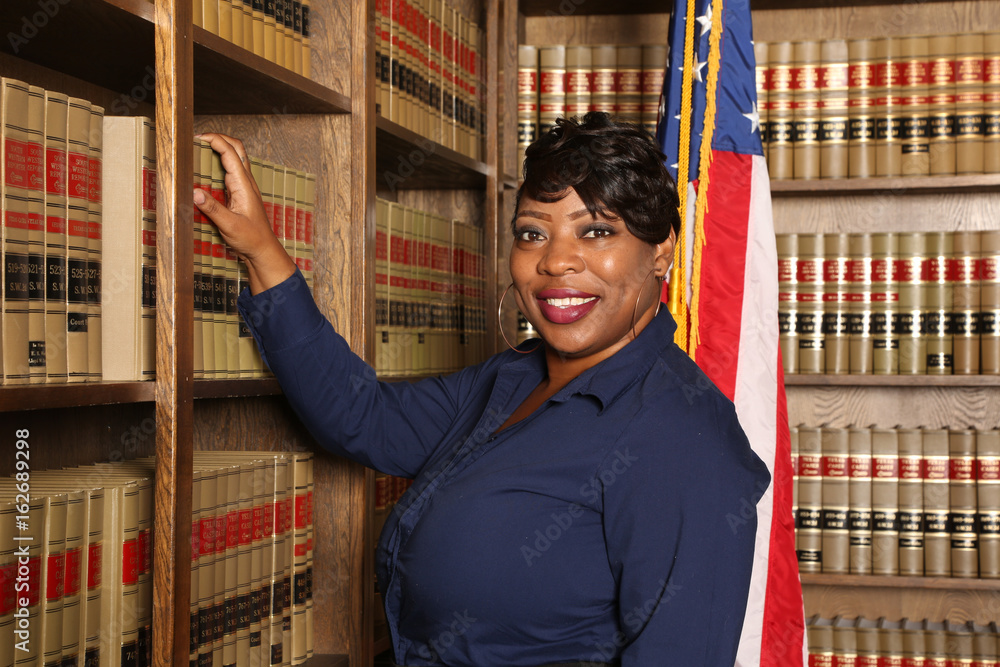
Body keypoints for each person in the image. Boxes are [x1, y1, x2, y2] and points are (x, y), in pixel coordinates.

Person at [194, 111, 770, 667]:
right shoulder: (508, 378)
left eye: (596, 232)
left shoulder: (684, 438)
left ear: (662, 251)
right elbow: (359, 415)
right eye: (532, 233)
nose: (557, 262)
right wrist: (261, 251)